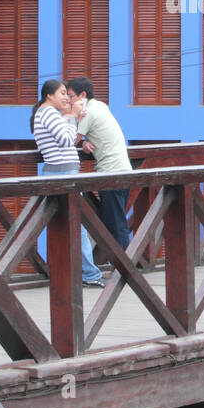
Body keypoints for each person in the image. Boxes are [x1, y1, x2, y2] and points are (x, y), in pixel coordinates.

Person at [30, 79, 104, 288]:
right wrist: (72, 117)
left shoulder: (46, 114)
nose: (66, 97)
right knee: (74, 226)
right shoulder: (49, 113)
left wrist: (70, 118)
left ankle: (74, 273)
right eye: (62, 93)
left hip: (61, 173)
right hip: (62, 175)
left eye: (67, 94)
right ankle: (89, 274)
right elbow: (66, 140)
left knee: (66, 225)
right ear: (49, 95)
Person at [66, 75, 132, 250]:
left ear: (82, 95)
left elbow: (68, 140)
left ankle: (125, 272)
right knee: (116, 222)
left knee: (116, 226)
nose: (69, 100)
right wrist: (85, 140)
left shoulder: (88, 113)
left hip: (111, 173)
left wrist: (71, 116)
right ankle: (124, 269)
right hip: (124, 170)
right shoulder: (101, 106)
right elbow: (96, 131)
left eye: (71, 96)